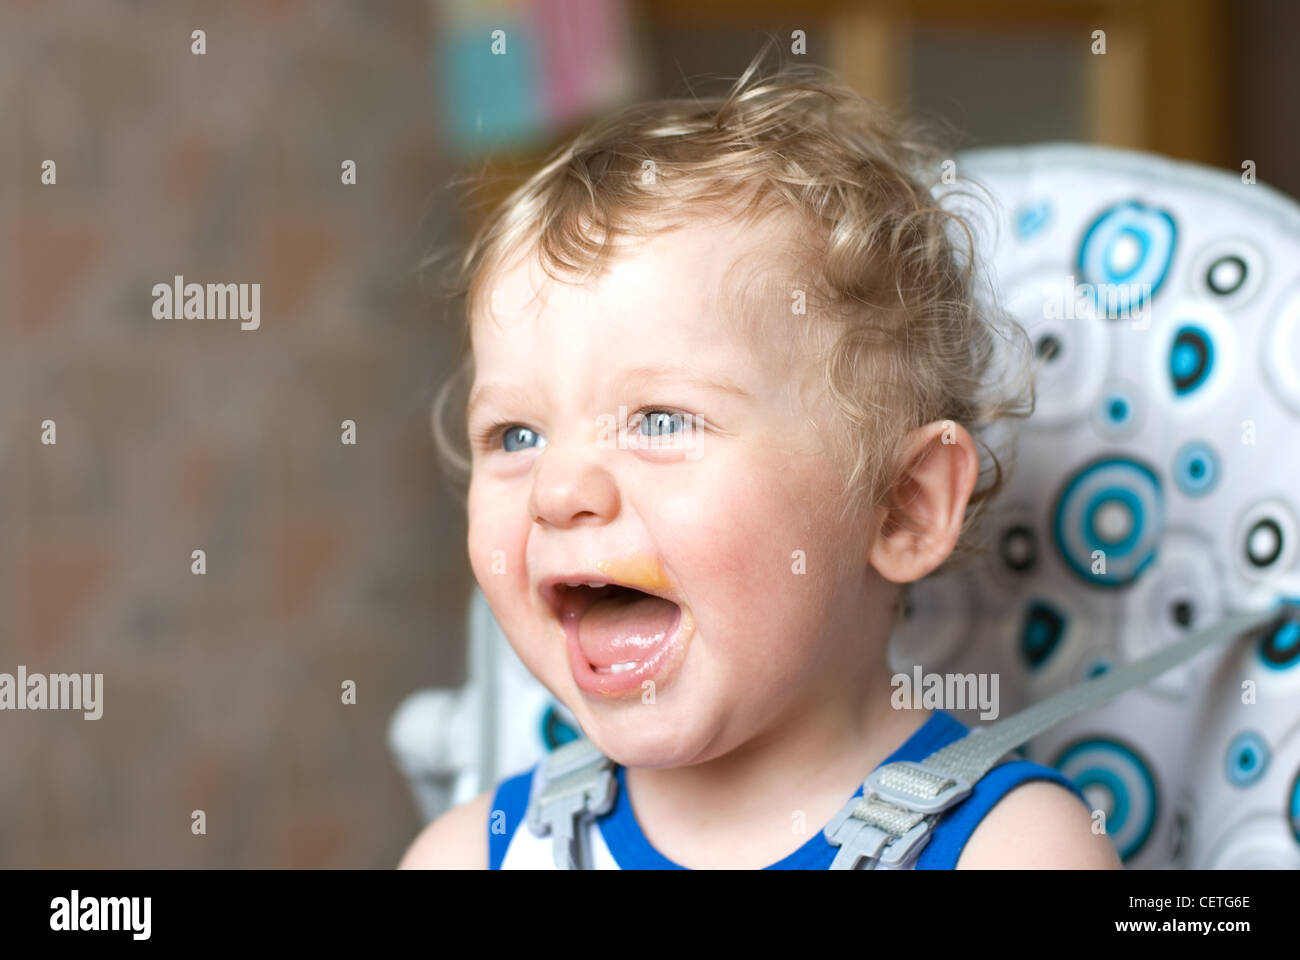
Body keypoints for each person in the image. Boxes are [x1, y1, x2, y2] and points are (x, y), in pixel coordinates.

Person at [400, 43, 1122, 870]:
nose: (558, 489)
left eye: (662, 420)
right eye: (516, 437)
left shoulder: (1015, 853)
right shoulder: (473, 853)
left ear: (904, 504)